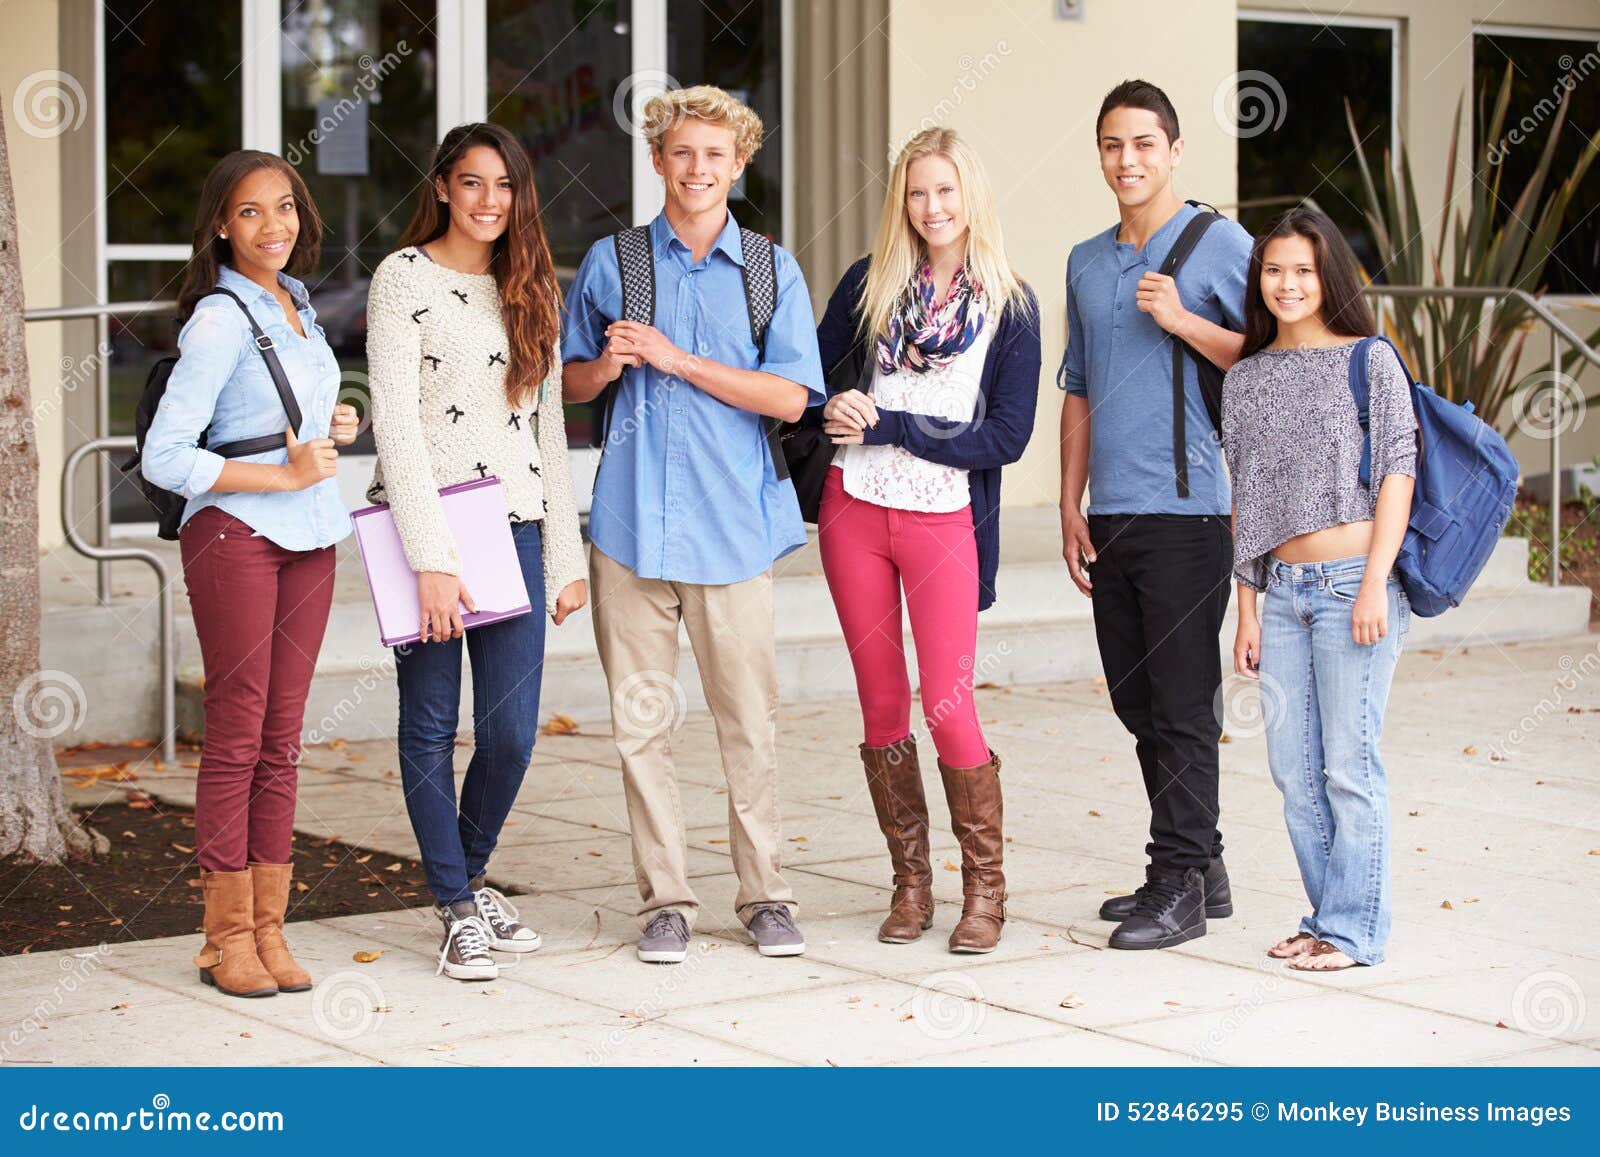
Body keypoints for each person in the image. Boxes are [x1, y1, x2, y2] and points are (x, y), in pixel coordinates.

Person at [561, 85, 824, 964]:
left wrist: (678, 359)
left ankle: (765, 893)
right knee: (642, 726)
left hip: (733, 531)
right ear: (659, 160)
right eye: (683, 152)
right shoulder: (615, 262)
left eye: (716, 155)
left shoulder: (768, 270)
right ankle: (665, 900)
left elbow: (791, 396)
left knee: (748, 721)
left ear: (738, 164)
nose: (698, 168)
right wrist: (605, 365)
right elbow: (566, 383)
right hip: (631, 531)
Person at [365, 123, 588, 982]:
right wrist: (431, 556)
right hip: (430, 533)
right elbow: (400, 427)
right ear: (443, 187)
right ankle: (457, 906)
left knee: (511, 734)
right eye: (471, 183)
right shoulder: (401, 279)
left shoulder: (529, 285)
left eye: (503, 185)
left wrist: (564, 556)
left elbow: (548, 430)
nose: (488, 200)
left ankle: (468, 873)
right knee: (429, 726)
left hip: (520, 529)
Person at [815, 127, 1039, 953]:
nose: (931, 207)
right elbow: (816, 382)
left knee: (949, 704)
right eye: (916, 192)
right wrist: (834, 407)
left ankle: (987, 889)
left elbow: (1007, 435)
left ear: (970, 195)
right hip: (855, 509)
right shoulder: (869, 286)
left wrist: (902, 425)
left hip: (946, 519)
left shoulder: (1009, 302)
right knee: (881, 701)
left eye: (945, 191)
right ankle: (911, 882)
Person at [142, 150, 359, 997]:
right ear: (221, 226)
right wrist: (283, 474)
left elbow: (276, 422)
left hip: (310, 533)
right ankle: (224, 935)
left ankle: (270, 931)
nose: (274, 226)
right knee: (238, 734)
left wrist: (328, 420)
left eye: (285, 207)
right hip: (237, 533)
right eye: (250, 212)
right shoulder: (218, 319)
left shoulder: (297, 303)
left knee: (282, 737)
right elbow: (166, 455)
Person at [1057, 79, 1253, 950]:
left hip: (1190, 514)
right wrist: (1069, 501)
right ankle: (1200, 864)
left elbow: (1277, 356)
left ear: (1175, 152)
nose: (1127, 159)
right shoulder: (1086, 261)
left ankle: (1174, 880)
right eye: (1111, 144)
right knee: (1139, 702)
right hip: (1114, 514)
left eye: (1143, 143)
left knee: (1181, 704)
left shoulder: (1219, 246)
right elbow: (1080, 388)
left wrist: (1184, 320)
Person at [1224, 206, 1417, 971]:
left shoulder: (1369, 360)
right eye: (1274, 270)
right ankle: (1327, 915)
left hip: (1352, 584)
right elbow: (1249, 498)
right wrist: (1246, 605)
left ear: (1328, 274)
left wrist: (1374, 583)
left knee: (1349, 764)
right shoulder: (1244, 376)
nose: (1287, 283)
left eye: (1303, 269)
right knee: (1292, 770)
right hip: (1282, 591)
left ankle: (1354, 930)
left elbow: (1398, 471)